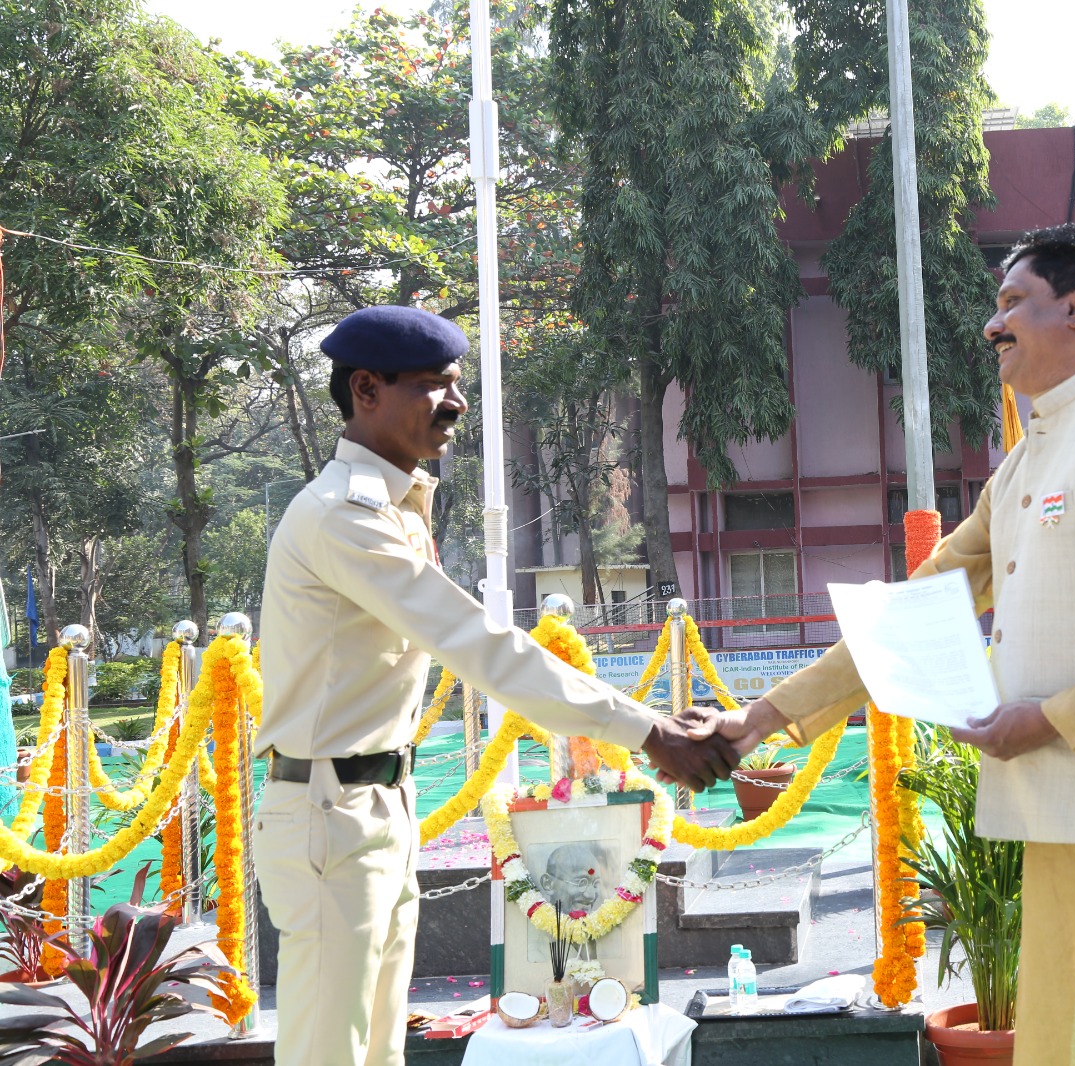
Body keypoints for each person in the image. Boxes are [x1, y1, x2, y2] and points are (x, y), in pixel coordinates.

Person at [702, 224, 1075, 1064]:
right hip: (1066, 812)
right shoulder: (1027, 462)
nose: (993, 326)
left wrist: (1056, 719)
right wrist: (762, 717)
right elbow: (911, 616)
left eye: (1011, 303)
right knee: (1074, 1034)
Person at [255, 304, 737, 1066]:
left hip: (371, 805)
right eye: (430, 386)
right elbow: (483, 648)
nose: (453, 404)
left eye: (456, 385)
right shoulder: (342, 517)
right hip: (329, 812)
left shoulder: (394, 506)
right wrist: (647, 732)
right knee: (329, 1051)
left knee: (374, 1049)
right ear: (367, 390)